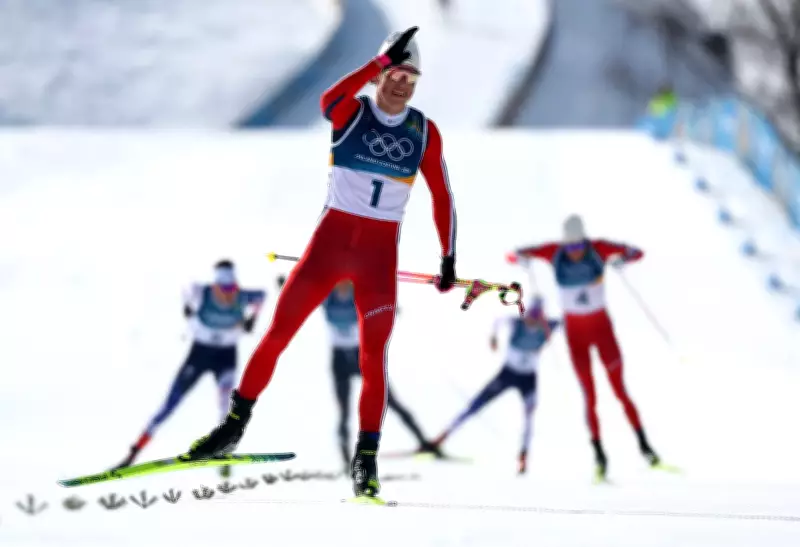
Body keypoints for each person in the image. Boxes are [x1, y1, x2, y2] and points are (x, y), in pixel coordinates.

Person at [182, 26, 458, 500]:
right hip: (328, 248)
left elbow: (442, 197)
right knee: (276, 335)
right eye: (395, 73)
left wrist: (448, 256)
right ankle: (232, 428)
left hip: (377, 257)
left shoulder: (423, 132)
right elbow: (327, 98)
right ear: (379, 74)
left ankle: (365, 461)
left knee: (374, 362)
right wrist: (376, 63)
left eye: (411, 77)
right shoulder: (351, 112)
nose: (401, 84)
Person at [506, 215, 659, 481]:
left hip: (602, 332)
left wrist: (625, 258)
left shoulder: (598, 248)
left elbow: (637, 252)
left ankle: (645, 448)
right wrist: (521, 258)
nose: (575, 253)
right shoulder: (555, 251)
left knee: (619, 390)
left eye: (579, 247)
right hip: (576, 336)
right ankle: (599, 456)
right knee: (589, 395)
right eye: (571, 248)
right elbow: (513, 254)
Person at [114, 260, 265, 477]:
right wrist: (188, 308)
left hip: (226, 357)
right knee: (169, 405)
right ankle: (132, 454)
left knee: (226, 407)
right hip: (200, 355)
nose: (228, 293)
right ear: (215, 286)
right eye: (223, 288)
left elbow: (262, 296)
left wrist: (253, 319)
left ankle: (222, 454)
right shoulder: (202, 292)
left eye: (232, 288)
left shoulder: (244, 297)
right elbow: (186, 289)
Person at [311, 279, 441, 470]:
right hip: (339, 360)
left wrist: (390, 309)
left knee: (390, 401)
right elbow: (303, 294)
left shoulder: (360, 294)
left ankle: (425, 442)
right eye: (339, 281)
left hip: (362, 356)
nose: (343, 286)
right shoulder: (327, 297)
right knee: (344, 411)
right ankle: (346, 461)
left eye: (347, 282)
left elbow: (380, 304)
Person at [430, 297, 558, 475]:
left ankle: (523, 456)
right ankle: (442, 437)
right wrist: (493, 337)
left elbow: (570, 323)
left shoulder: (549, 325)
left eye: (536, 317)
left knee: (529, 416)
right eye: (530, 316)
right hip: (508, 374)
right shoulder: (517, 322)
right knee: (476, 404)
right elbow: (499, 320)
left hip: (528, 379)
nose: (531, 320)